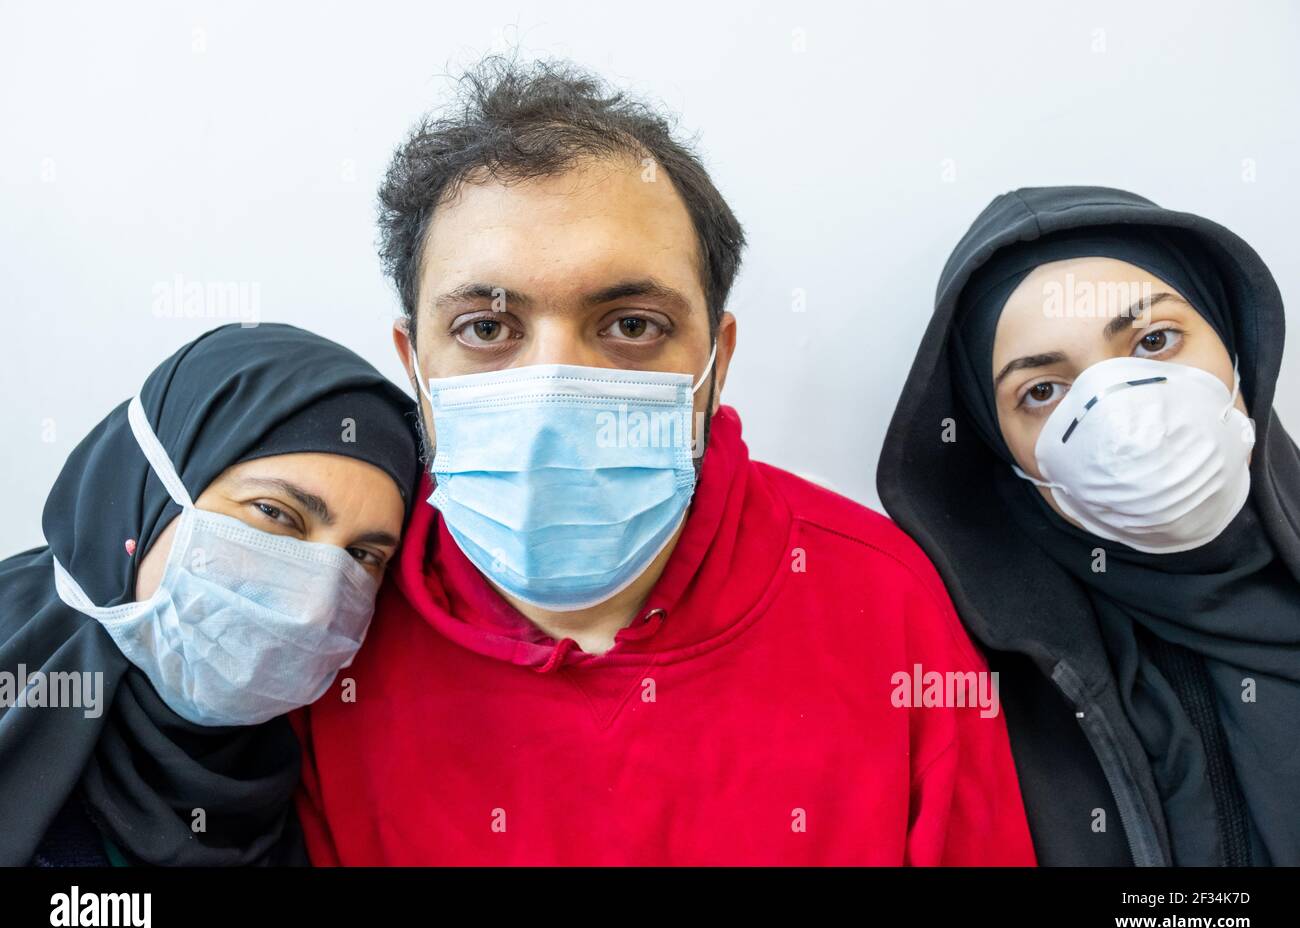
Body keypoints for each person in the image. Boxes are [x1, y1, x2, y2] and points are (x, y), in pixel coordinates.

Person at [290, 58, 1036, 866]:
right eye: (486, 328)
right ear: (416, 365)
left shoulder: (885, 602)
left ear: (716, 361)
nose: (551, 393)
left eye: (633, 325)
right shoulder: (330, 628)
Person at [879, 185, 1300, 866]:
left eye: (1155, 341)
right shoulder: (963, 690)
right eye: (1042, 391)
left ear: (1235, 348)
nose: (1125, 419)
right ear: (997, 443)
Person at [0, 323, 419, 866]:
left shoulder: (318, 787)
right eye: (274, 513)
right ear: (146, 497)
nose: (315, 604)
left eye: (364, 555)